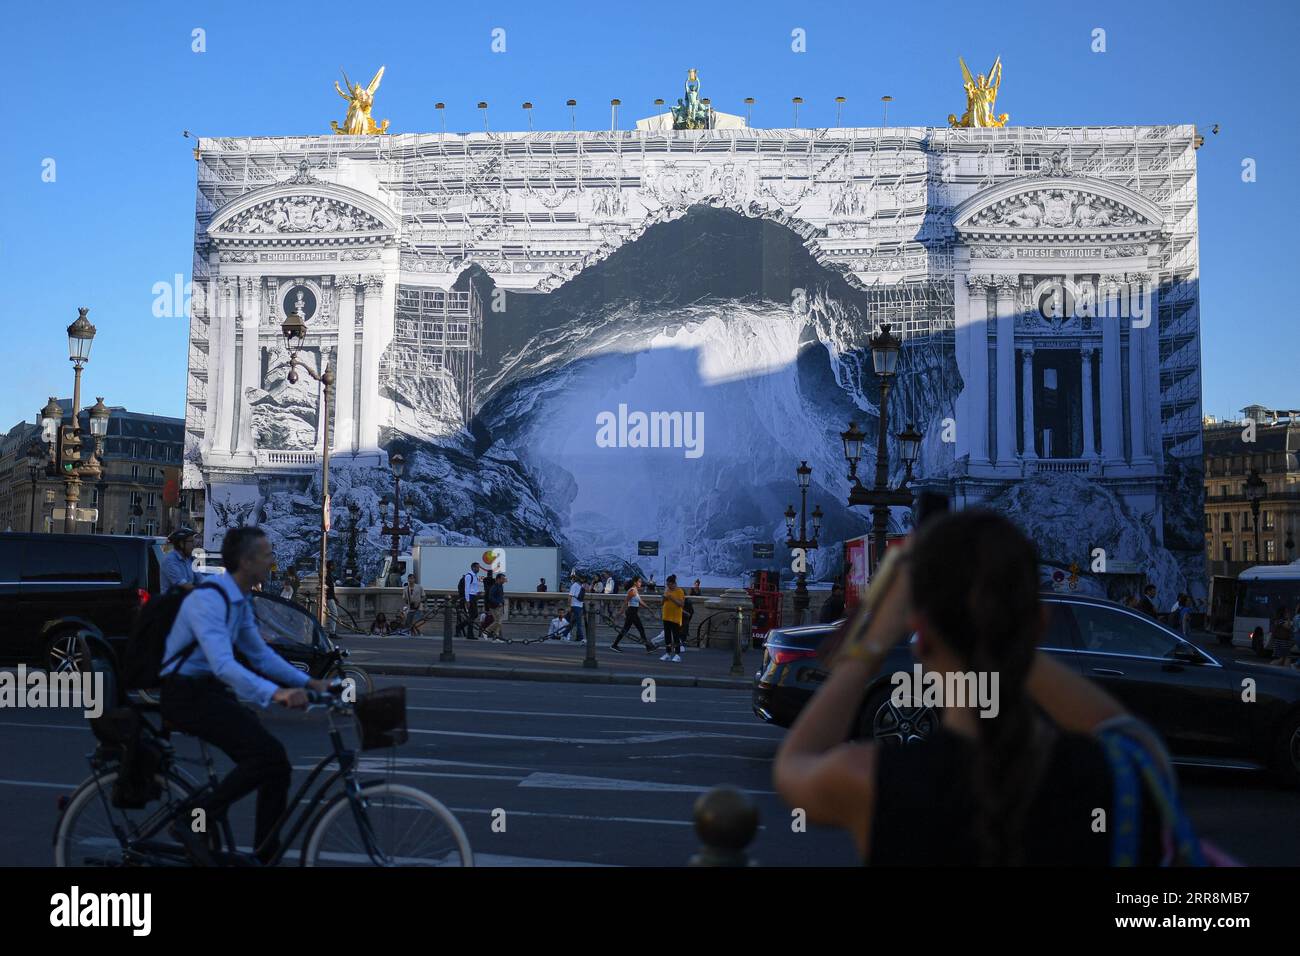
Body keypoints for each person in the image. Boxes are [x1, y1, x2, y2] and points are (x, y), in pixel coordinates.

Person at [773, 510, 1185, 866]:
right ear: (1038, 625)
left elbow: (793, 766)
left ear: (921, 635)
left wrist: (871, 642)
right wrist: (1005, 633)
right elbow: (1123, 728)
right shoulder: (1124, 771)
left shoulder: (869, 779)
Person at [160, 526, 334, 865]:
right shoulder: (209, 599)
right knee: (264, 757)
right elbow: (224, 664)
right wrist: (278, 694)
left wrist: (309, 683)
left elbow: (259, 655)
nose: (272, 562)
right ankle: (192, 819)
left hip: (207, 689)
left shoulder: (238, 598)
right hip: (184, 693)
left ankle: (264, 854)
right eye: (267, 555)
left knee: (277, 764)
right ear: (246, 561)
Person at [611, 576, 651, 653]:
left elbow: (640, 602)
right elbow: (625, 602)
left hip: (633, 612)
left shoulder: (635, 590)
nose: (640, 583)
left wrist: (649, 609)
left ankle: (614, 645)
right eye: (639, 581)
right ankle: (648, 647)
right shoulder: (632, 591)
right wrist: (620, 612)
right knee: (640, 629)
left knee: (626, 629)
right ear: (635, 582)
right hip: (631, 612)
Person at [161, 527, 200, 593]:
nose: (194, 545)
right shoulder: (170, 560)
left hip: (187, 601)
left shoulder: (189, 559)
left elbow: (200, 578)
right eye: (191, 542)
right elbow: (184, 585)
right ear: (181, 544)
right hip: (172, 602)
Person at [660, 574, 686, 662]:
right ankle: (667, 653)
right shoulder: (667, 590)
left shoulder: (680, 591)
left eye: (669, 584)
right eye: (667, 585)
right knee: (667, 636)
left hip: (675, 617)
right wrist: (664, 598)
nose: (668, 586)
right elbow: (662, 603)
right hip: (666, 616)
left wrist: (672, 598)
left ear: (673, 583)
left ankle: (677, 654)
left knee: (675, 636)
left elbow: (681, 604)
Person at [458, 562, 482, 639]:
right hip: (470, 597)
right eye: (477, 567)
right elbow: (467, 588)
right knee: (473, 615)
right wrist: (467, 600)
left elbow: (473, 587)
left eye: (479, 567)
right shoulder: (469, 576)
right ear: (473, 568)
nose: (479, 569)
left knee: (474, 615)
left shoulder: (475, 576)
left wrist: (477, 592)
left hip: (473, 597)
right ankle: (469, 633)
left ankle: (461, 627)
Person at [484, 573, 507, 641]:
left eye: (504, 579)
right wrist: (498, 602)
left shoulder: (500, 586)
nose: (504, 580)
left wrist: (502, 602)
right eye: (502, 579)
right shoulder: (494, 587)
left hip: (499, 606)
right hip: (494, 607)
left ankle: (496, 637)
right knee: (498, 621)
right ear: (498, 579)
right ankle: (486, 631)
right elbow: (490, 597)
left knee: (499, 622)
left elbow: (501, 595)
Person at [567, 573, 588, 644]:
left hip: (579, 606)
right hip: (575, 606)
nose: (584, 580)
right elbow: (570, 596)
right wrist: (569, 606)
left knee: (573, 622)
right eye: (583, 579)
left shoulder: (581, 585)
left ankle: (565, 634)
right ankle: (580, 637)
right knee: (578, 622)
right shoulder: (575, 585)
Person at [324, 561, 340, 638]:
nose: (335, 567)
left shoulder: (328, 574)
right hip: (329, 597)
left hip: (329, 597)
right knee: (334, 614)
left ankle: (332, 631)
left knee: (332, 614)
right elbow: (330, 589)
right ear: (331, 566)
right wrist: (334, 598)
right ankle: (332, 632)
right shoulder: (328, 575)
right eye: (334, 565)